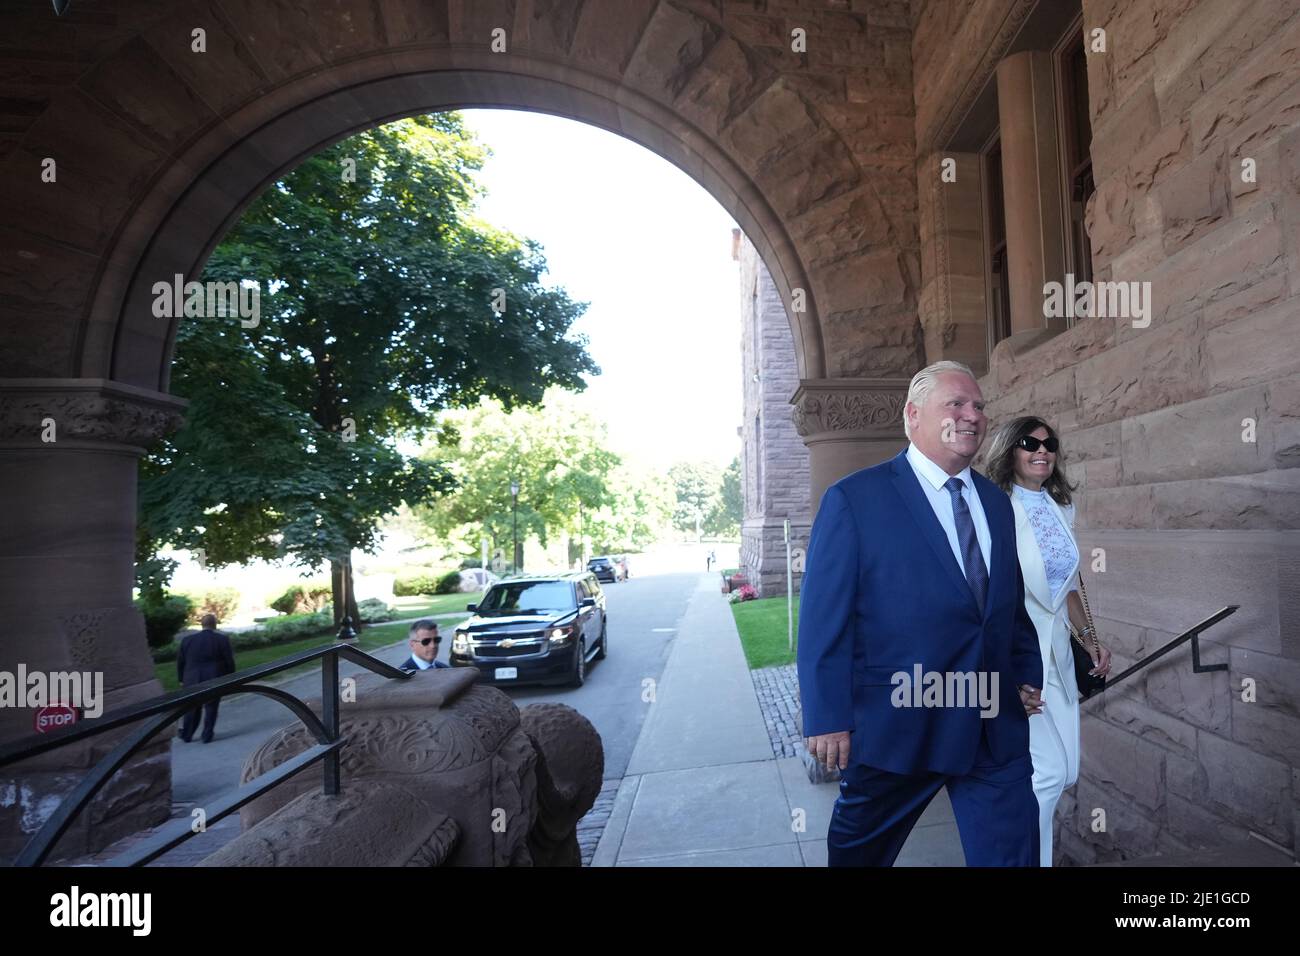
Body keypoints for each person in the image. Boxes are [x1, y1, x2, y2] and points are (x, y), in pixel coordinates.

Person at [797, 360, 1044, 866]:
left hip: (992, 721)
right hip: (899, 724)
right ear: (913, 414)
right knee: (858, 854)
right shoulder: (854, 500)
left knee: (1010, 853)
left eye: (978, 406)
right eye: (955, 404)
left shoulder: (997, 504)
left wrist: (1024, 671)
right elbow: (824, 621)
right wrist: (827, 717)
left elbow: (1007, 605)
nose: (971, 414)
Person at [985, 416, 1112, 866]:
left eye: (1049, 443)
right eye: (1029, 443)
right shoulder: (996, 507)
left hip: (1057, 652)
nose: (1042, 451)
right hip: (1019, 657)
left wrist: (1091, 640)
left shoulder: (1062, 506)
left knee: (1067, 771)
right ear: (1010, 450)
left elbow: (1070, 584)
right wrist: (1005, 672)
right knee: (1048, 773)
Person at [177, 613, 236, 743]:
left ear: (201, 624)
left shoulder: (187, 640)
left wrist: (181, 679)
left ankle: (187, 734)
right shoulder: (222, 639)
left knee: (192, 707)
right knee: (211, 706)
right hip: (213, 677)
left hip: (191, 678)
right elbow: (229, 661)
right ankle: (207, 735)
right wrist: (231, 676)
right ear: (215, 624)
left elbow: (181, 662)